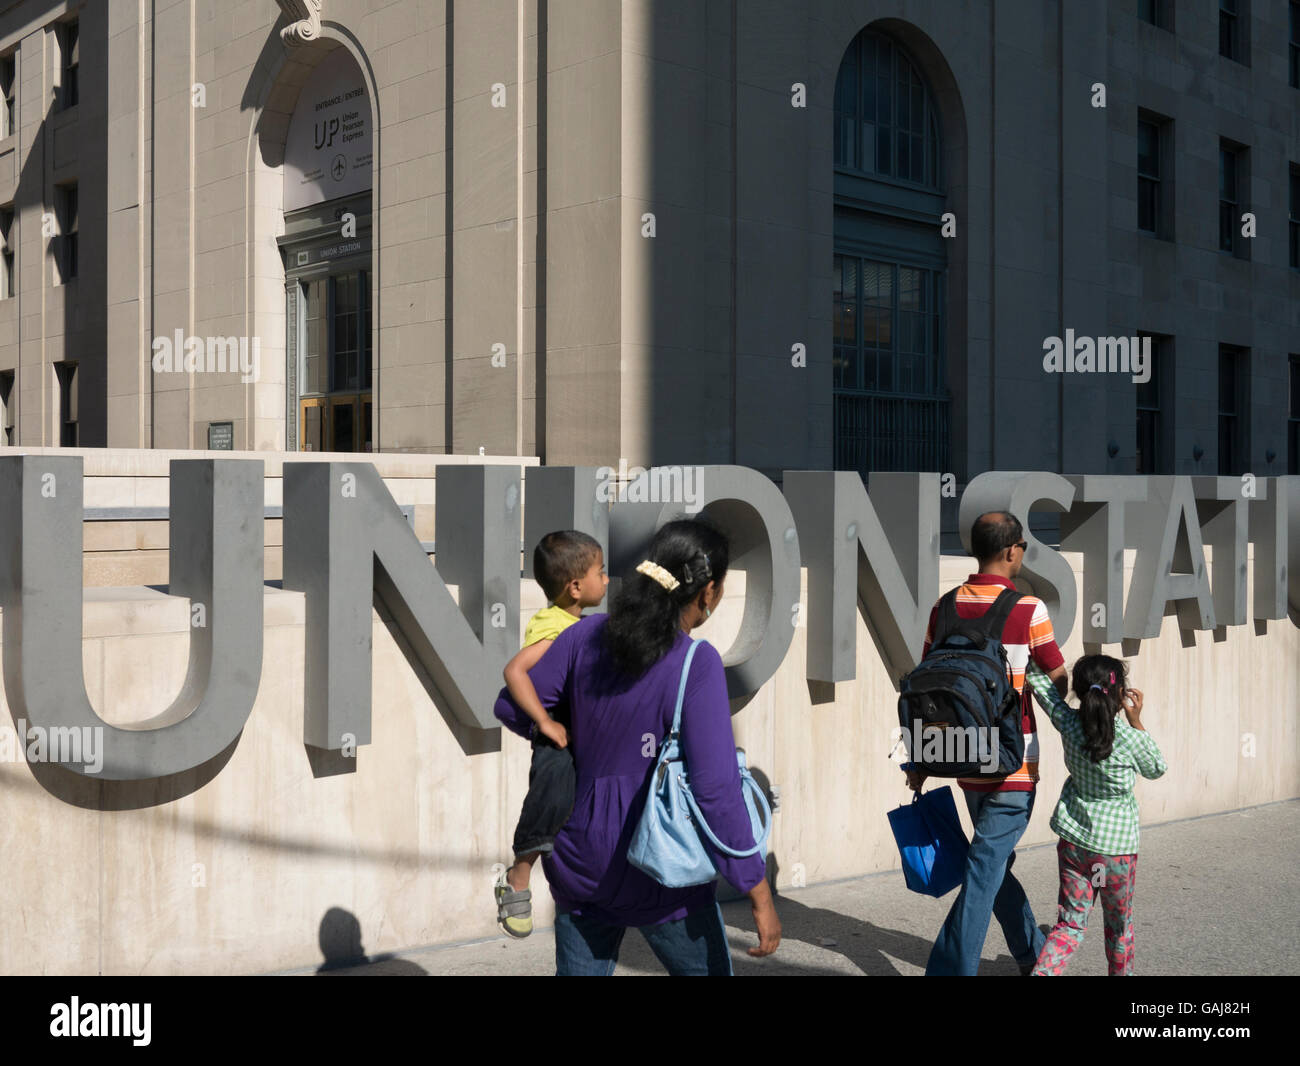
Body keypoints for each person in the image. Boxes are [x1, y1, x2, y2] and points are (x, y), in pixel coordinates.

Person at [494, 518, 781, 975]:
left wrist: (565, 729)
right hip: (663, 873)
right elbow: (715, 789)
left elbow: (512, 706)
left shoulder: (581, 635)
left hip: (580, 860)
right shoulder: (695, 662)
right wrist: (757, 889)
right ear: (707, 593)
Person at [904, 510, 1069, 976]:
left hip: (963, 758)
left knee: (988, 866)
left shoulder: (944, 607)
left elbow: (927, 693)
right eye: (1022, 548)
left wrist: (919, 758)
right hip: (1015, 763)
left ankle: (1035, 958)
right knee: (984, 869)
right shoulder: (1028, 609)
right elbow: (1060, 680)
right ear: (1012, 550)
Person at [494, 530, 608, 938]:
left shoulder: (579, 622)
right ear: (576, 586)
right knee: (553, 792)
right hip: (559, 735)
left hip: (584, 731)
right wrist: (545, 722)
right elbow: (514, 671)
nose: (607, 579)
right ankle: (519, 874)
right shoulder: (553, 626)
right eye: (601, 571)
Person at [1023, 656, 1166, 975]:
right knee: (1119, 931)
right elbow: (1157, 768)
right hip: (1116, 853)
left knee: (1070, 925)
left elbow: (1044, 691)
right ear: (1120, 696)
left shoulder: (1069, 723)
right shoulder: (1130, 739)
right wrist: (1136, 720)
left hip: (1075, 845)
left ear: (1080, 692)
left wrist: (1027, 656)